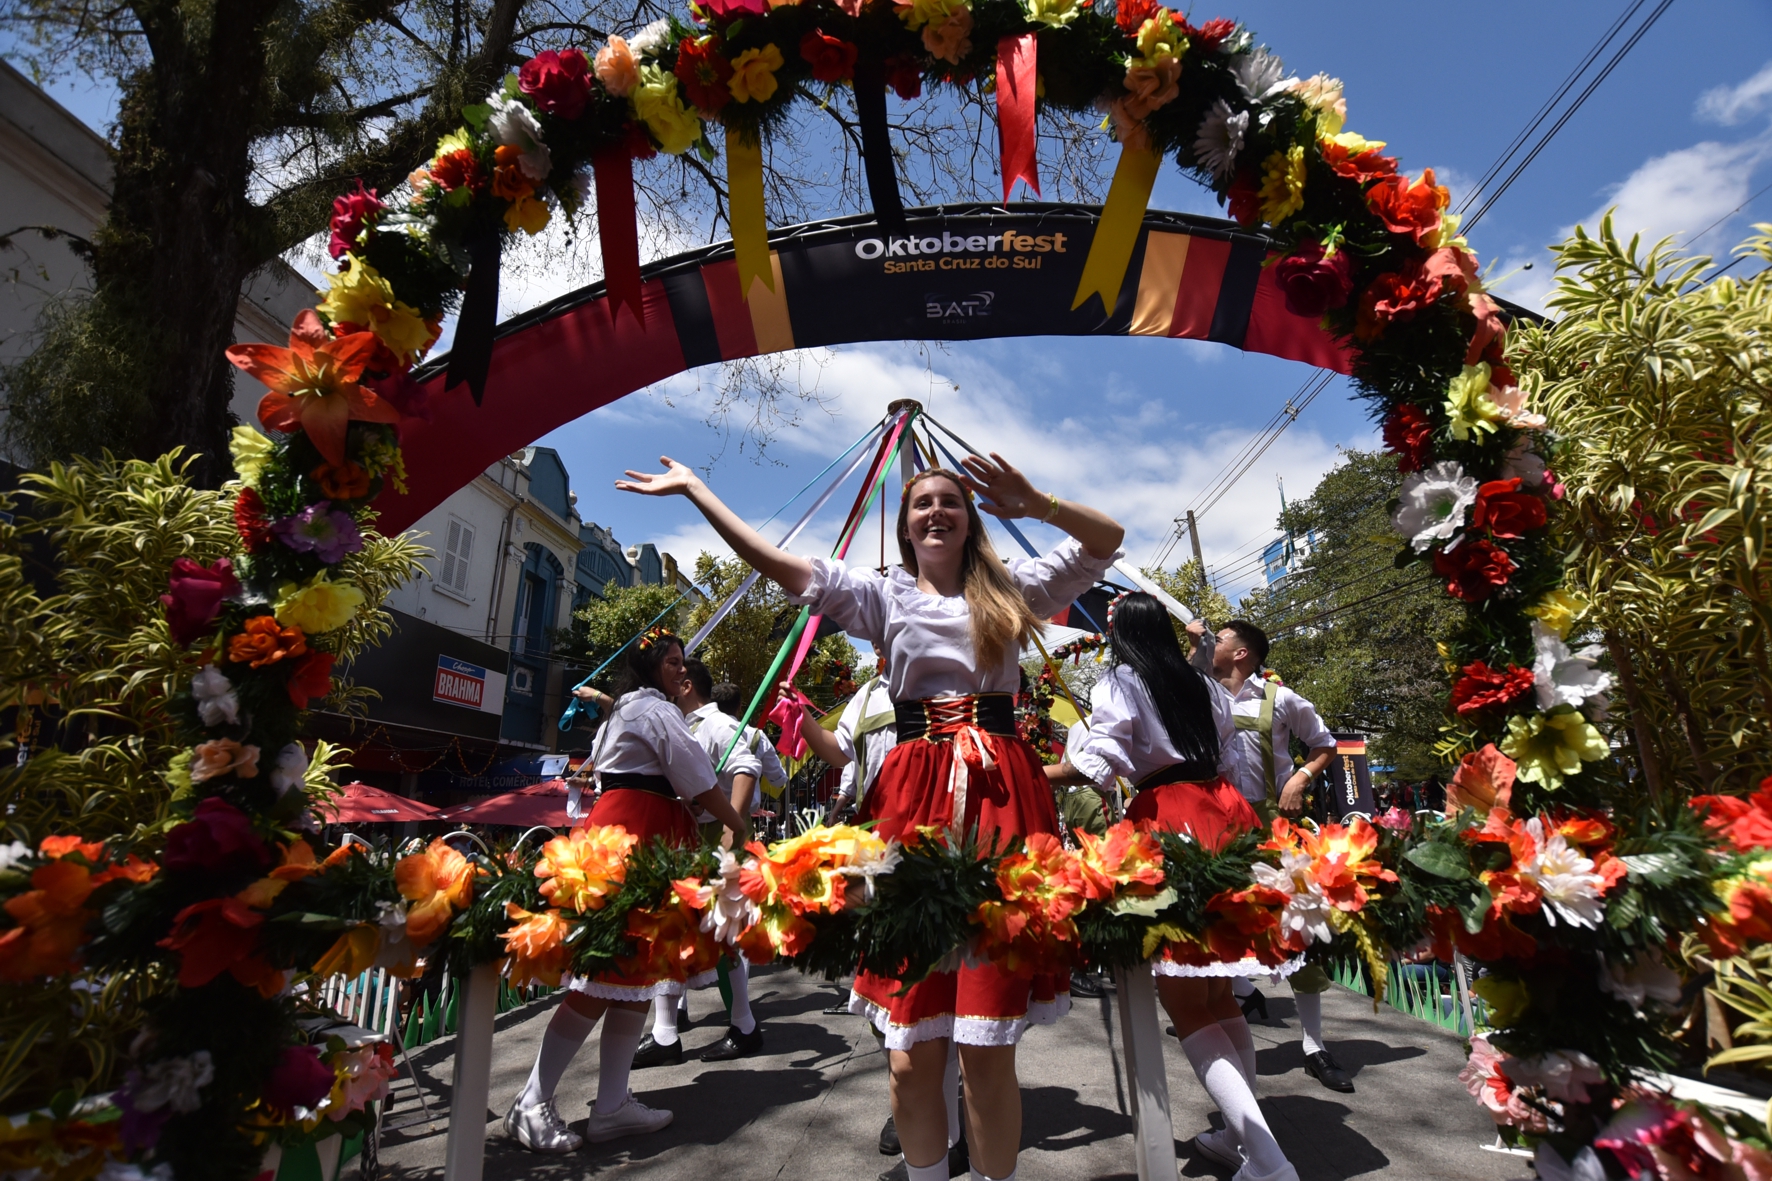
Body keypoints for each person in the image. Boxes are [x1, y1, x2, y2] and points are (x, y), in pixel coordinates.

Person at [617, 451, 1123, 1181]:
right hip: (910, 799)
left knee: (986, 1050)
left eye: (950, 500)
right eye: (921, 505)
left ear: (970, 517)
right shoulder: (881, 596)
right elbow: (779, 566)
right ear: (905, 527)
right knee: (910, 1056)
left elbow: (1108, 539)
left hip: (1002, 798)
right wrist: (698, 490)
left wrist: (1036, 501)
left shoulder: (1013, 588)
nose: (936, 511)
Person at [1046, 593, 1299, 1181]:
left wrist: (1038, 772)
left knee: (1186, 999)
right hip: (1225, 811)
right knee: (1217, 993)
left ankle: (1266, 1159)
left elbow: (1102, 757)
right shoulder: (1204, 684)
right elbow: (1232, 754)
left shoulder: (1121, 681)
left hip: (1168, 818)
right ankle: (1240, 1137)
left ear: (1119, 637)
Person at [505, 629, 750, 1154]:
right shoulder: (655, 713)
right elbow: (699, 779)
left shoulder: (631, 711)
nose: (682, 670)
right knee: (603, 977)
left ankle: (612, 1105)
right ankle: (531, 1100)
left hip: (633, 832)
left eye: (684, 662)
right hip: (636, 839)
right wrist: (738, 825)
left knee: (634, 977)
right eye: (672, 663)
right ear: (649, 669)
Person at [787, 652, 970, 1181]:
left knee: (933, 989)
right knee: (884, 990)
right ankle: (920, 1105)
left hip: (935, 843)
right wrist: (802, 720)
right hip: (875, 848)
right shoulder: (866, 696)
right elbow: (839, 752)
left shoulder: (943, 682)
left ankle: (944, 1126)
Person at [1189, 618, 1352, 1095]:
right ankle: (1237, 999)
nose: (1209, 645)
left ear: (1242, 653)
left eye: (1217, 640)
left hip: (1273, 827)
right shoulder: (1201, 692)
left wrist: (1299, 780)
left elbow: (1325, 745)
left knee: (1299, 931)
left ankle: (1313, 1045)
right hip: (1219, 828)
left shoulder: (1282, 699)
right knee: (1222, 924)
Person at [631, 657, 766, 1067]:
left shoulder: (717, 724)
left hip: (714, 836)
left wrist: (732, 826)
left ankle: (744, 1025)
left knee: (723, 933)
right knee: (673, 931)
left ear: (687, 684)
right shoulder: (680, 723)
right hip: (686, 836)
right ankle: (665, 1033)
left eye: (676, 671)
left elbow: (748, 767)